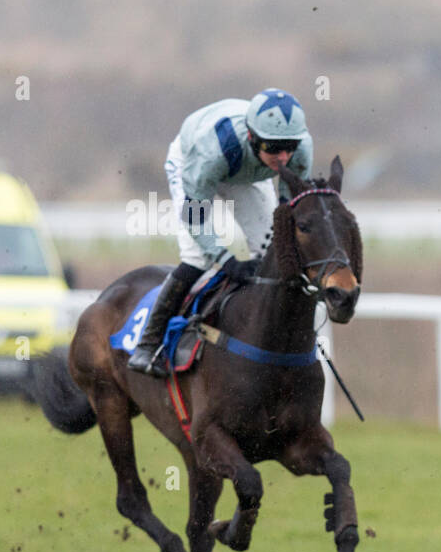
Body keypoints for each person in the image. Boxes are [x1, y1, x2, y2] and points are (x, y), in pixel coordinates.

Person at [127, 88, 313, 377]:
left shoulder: (300, 150)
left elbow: (287, 210)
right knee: (197, 258)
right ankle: (148, 344)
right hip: (195, 164)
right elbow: (195, 217)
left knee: (271, 253)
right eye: (274, 148)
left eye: (289, 146)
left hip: (248, 173)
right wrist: (226, 259)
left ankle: (270, 339)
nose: (284, 157)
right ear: (253, 137)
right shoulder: (211, 154)